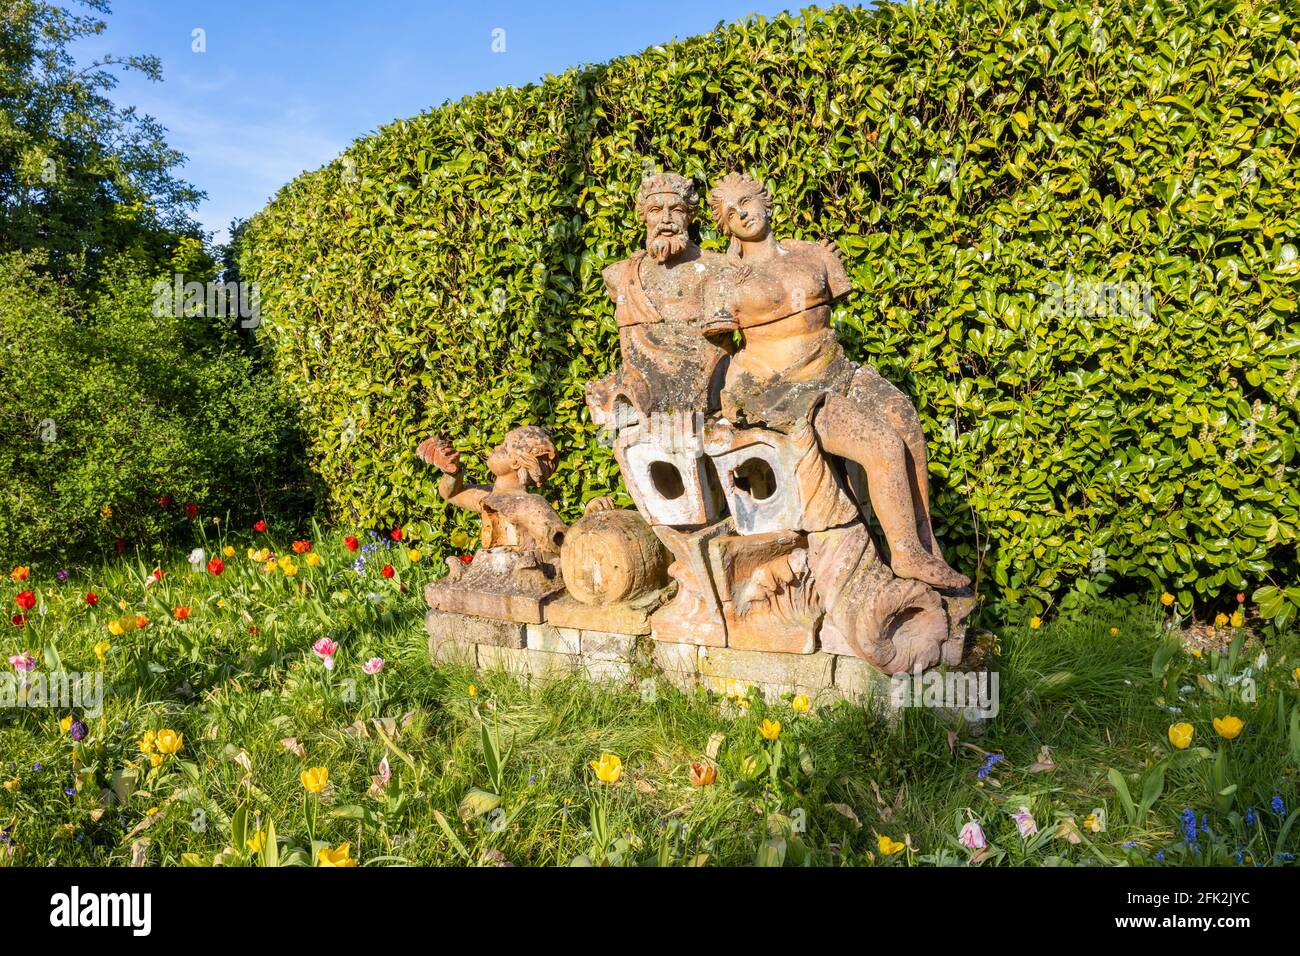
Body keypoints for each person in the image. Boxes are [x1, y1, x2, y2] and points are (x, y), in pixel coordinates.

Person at [704, 172, 969, 590]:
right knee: (880, 444)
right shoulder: (726, 279)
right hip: (780, 389)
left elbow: (832, 294)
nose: (743, 214)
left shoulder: (813, 254)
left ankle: (925, 546)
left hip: (834, 367)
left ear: (765, 201)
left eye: (746, 202)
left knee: (904, 417)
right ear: (728, 229)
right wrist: (711, 408)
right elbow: (715, 352)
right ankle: (905, 555)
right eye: (732, 214)